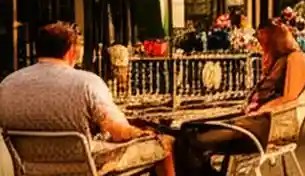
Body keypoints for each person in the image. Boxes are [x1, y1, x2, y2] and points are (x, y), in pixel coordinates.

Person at [0, 22, 175, 176]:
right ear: (71, 51)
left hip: (30, 168)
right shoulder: (86, 83)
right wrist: (141, 133)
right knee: (164, 144)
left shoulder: (7, 84)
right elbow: (118, 131)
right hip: (86, 165)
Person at [174, 23, 305, 176]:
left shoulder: (295, 57)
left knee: (190, 140)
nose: (259, 47)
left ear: (275, 40)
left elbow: (290, 97)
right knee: (186, 132)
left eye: (263, 42)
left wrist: (262, 110)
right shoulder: (278, 60)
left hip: (262, 126)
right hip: (252, 122)